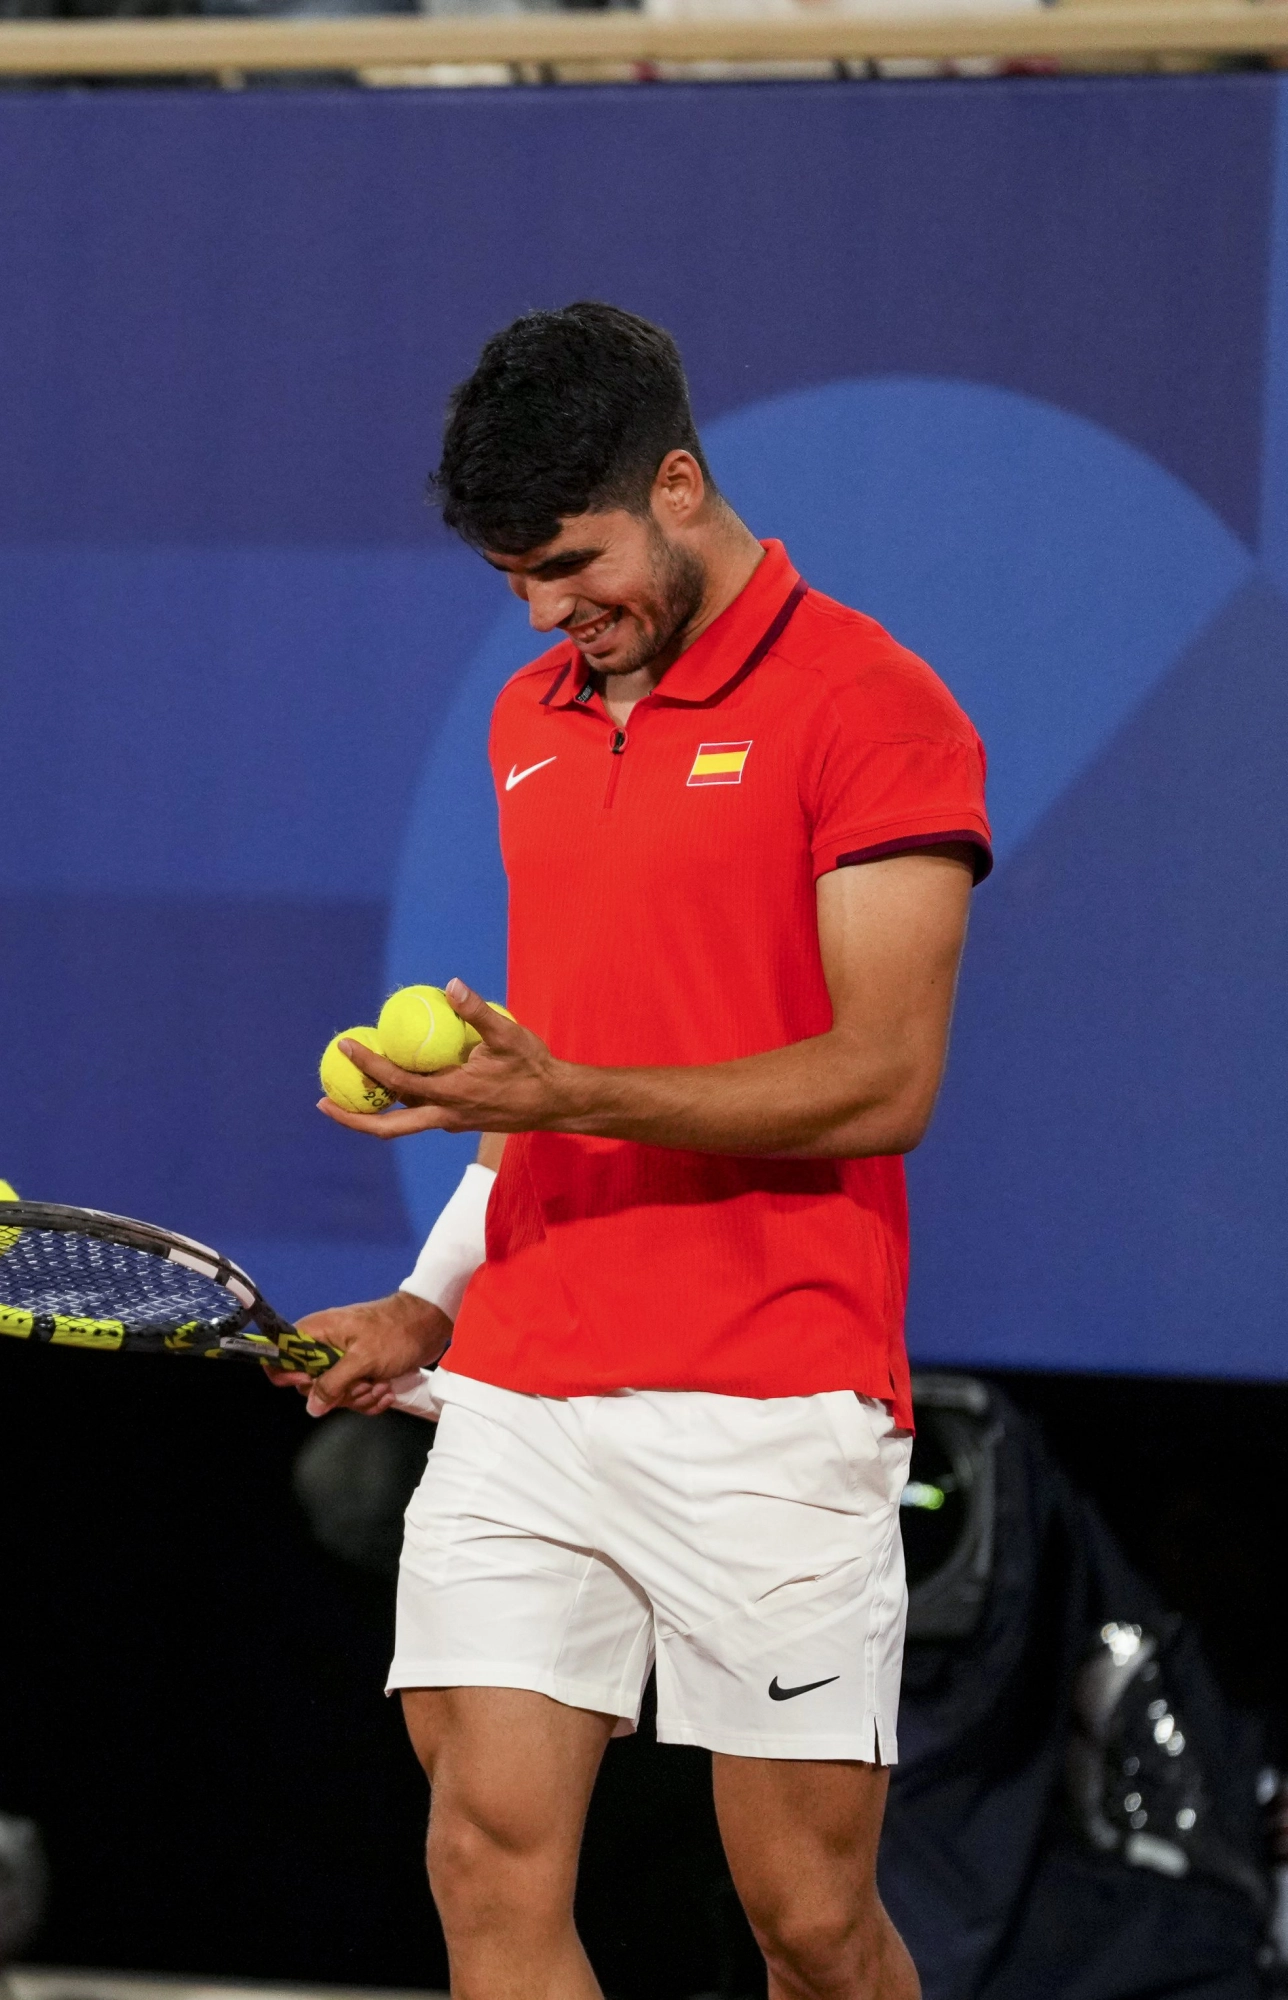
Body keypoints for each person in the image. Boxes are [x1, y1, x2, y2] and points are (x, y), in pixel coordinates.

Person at [285, 302, 988, 2000]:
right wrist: (431, 1299)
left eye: (572, 562)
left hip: (774, 1393)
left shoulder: (877, 708)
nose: (543, 615)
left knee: (809, 1924)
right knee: (483, 1853)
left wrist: (566, 1094)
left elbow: (883, 1081)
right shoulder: (533, 717)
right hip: (530, 1389)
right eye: (514, 578)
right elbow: (559, 1063)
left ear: (680, 485)